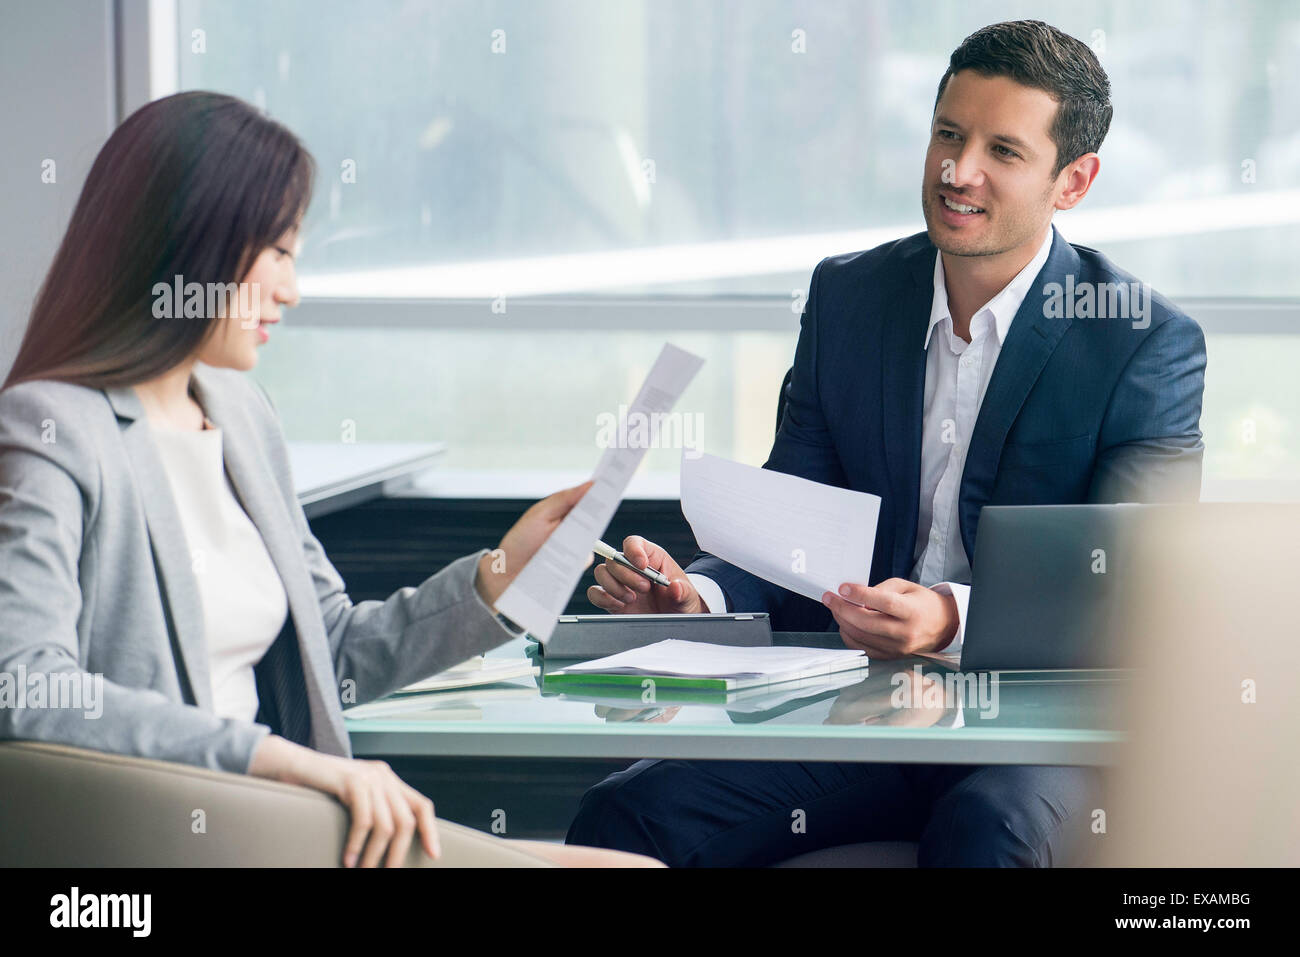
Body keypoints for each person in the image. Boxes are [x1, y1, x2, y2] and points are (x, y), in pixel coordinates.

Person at [569, 20, 1206, 866]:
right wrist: (699, 600)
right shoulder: (851, 298)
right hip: (860, 711)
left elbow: (1132, 583)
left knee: (986, 832)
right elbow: (794, 516)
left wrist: (949, 617)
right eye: (949, 134)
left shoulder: (1141, 339)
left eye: (1002, 151)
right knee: (629, 813)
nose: (958, 170)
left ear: (1074, 181)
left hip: (1036, 730)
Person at [0, 91, 659, 868]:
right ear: (191, 245)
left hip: (283, 813)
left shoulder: (242, 415)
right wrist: (278, 760)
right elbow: (25, 688)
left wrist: (502, 574)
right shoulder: (51, 429)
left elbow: (335, 648)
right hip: (184, 830)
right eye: (277, 252)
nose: (291, 288)